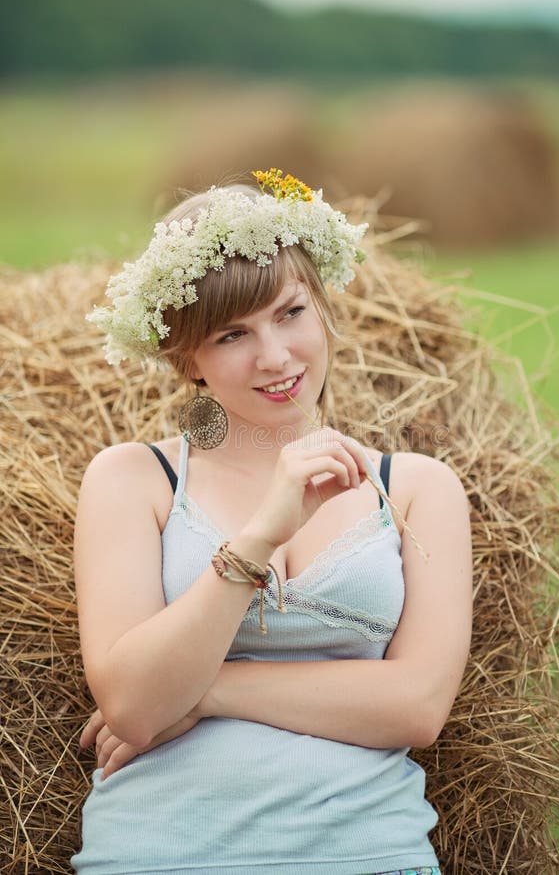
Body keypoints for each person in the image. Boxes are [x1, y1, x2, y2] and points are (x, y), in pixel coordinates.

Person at [70, 167, 473, 875]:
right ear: (188, 360)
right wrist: (259, 538)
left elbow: (417, 706)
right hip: (160, 855)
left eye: (290, 313)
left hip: (369, 854)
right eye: (232, 334)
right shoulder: (132, 480)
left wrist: (207, 692)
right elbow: (133, 706)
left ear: (322, 307)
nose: (276, 356)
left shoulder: (415, 490)